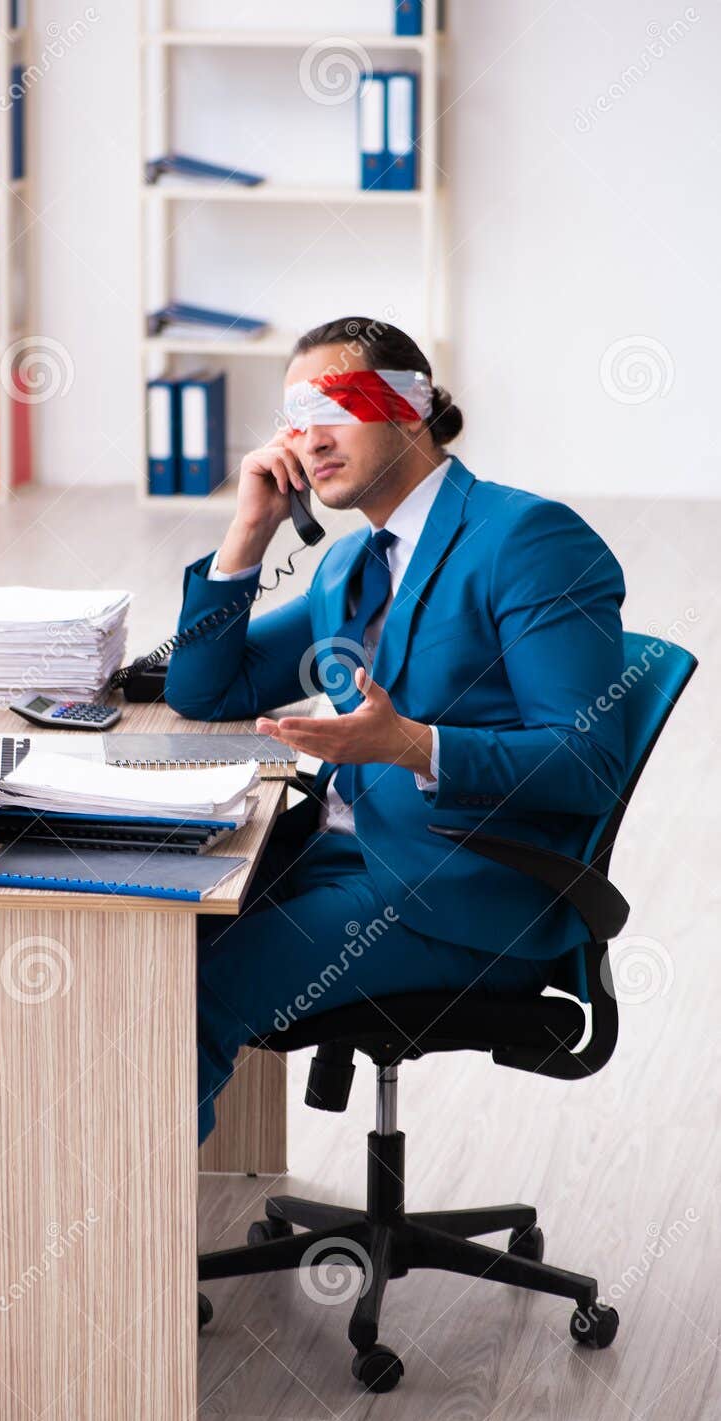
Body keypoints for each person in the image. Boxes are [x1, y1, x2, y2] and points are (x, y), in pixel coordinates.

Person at [163, 317, 627, 1144]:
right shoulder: (351, 561)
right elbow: (207, 688)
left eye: (334, 405)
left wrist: (409, 744)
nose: (309, 438)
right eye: (294, 420)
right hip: (330, 852)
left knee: (192, 998)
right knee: (143, 953)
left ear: (409, 410)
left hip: (455, 889)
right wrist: (250, 532)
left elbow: (588, 761)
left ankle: (125, 1267)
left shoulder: (526, 539)